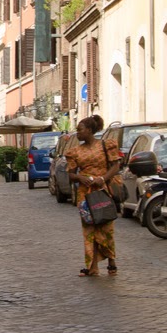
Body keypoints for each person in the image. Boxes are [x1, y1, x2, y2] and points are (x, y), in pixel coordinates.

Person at [66, 117, 122, 277]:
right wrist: (80, 178)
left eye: (80, 129)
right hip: (85, 193)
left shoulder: (106, 145)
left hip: (103, 190)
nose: (78, 132)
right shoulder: (75, 152)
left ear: (90, 130)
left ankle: (112, 262)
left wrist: (102, 178)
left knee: (106, 226)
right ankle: (92, 265)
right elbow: (70, 174)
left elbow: (115, 166)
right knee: (89, 228)